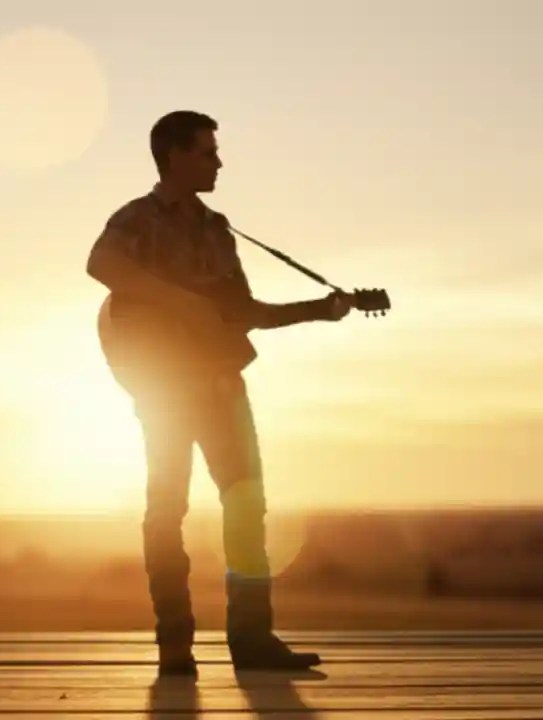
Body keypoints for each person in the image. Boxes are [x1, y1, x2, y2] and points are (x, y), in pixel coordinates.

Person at [86, 110, 351, 676]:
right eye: (207, 152)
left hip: (222, 384)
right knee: (167, 511)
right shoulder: (136, 218)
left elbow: (242, 312)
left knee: (247, 504)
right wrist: (179, 301)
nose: (219, 162)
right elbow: (100, 264)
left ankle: (252, 641)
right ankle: (174, 646)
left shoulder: (217, 229)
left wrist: (320, 311)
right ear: (174, 156)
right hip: (163, 386)